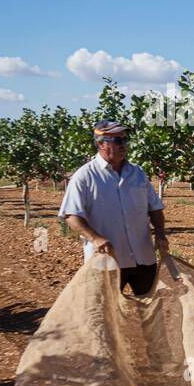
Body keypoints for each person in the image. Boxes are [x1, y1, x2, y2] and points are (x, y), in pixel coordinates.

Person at [59, 120, 169, 296]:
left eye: (125, 140)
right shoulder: (85, 176)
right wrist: (95, 238)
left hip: (143, 258)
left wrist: (161, 234)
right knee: (106, 314)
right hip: (106, 261)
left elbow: (155, 208)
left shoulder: (138, 173)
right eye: (118, 141)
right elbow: (71, 215)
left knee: (149, 312)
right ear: (101, 143)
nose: (123, 145)